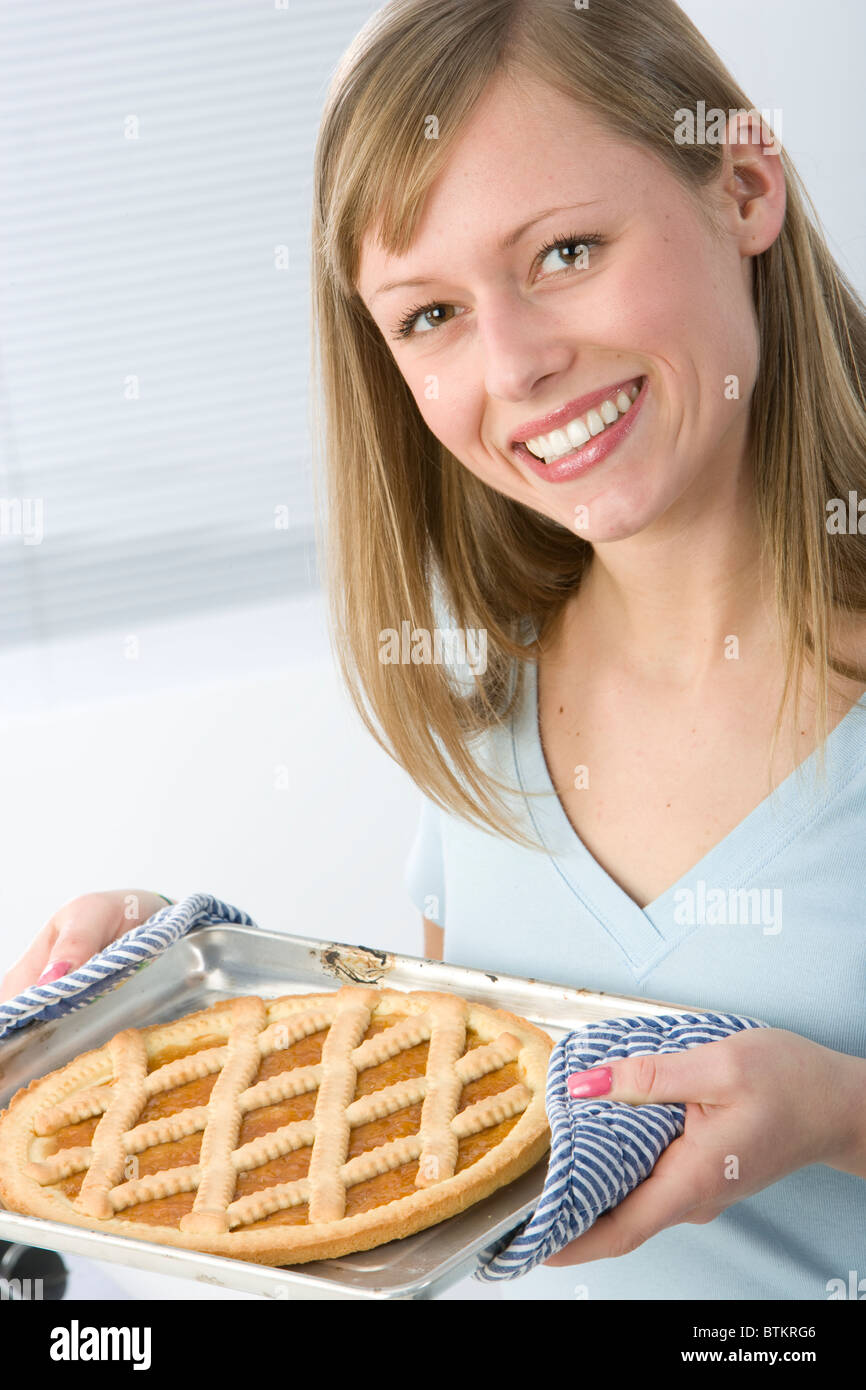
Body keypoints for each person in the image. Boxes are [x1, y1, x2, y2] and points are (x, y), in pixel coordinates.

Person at [4, 0, 866, 1300]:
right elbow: (444, 1106)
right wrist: (185, 994)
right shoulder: (482, 724)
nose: (515, 363)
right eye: (428, 316)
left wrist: (842, 1113)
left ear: (742, 185)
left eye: (565, 250)